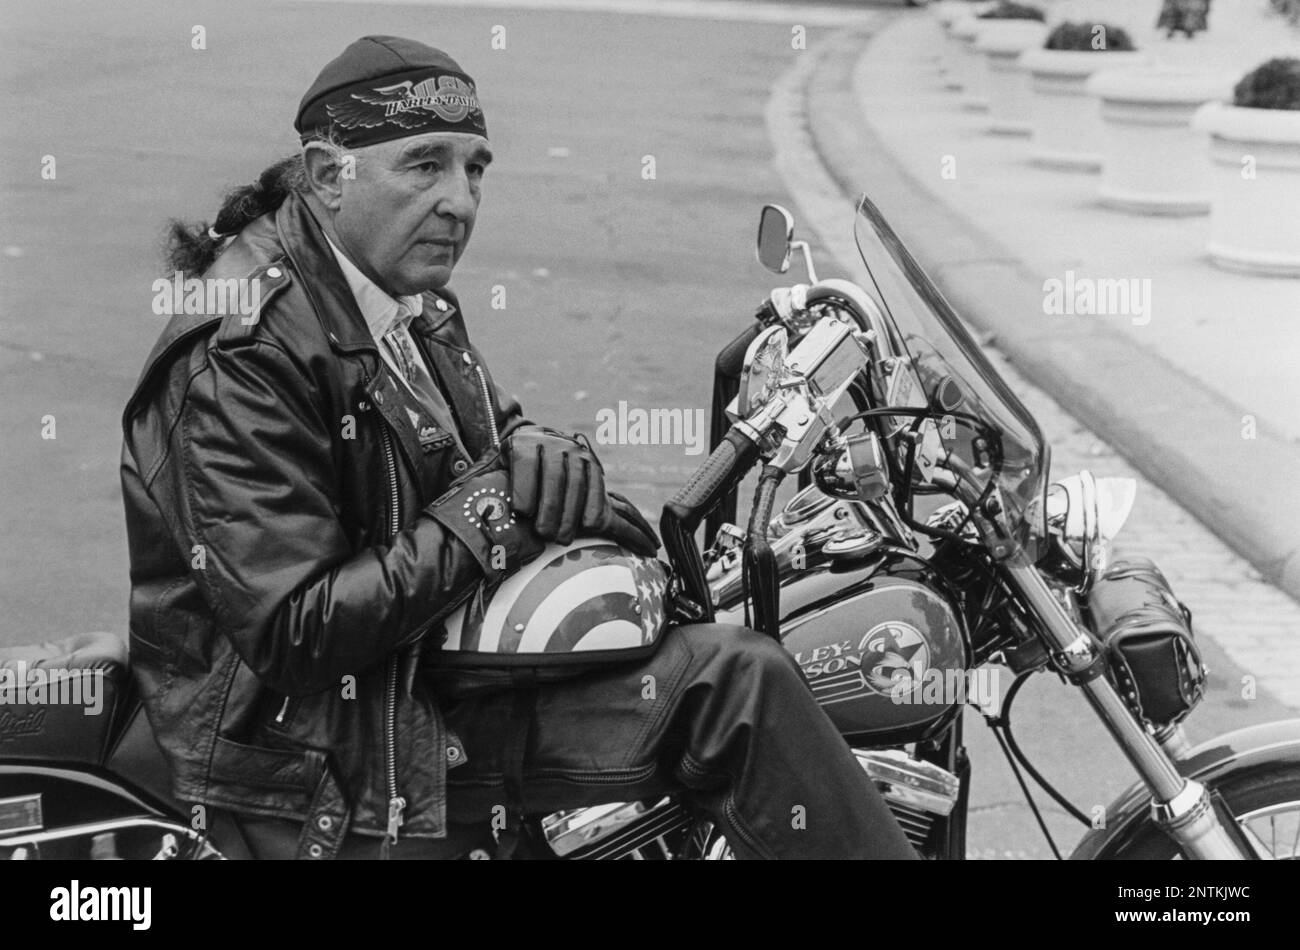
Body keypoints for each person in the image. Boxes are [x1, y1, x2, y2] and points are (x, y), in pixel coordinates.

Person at [120, 35, 916, 860]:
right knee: (736, 688)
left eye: (475, 169)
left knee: (719, 642)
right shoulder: (242, 354)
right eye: (424, 165)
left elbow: (491, 440)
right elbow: (297, 631)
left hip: (420, 672)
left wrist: (542, 451)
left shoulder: (405, 298)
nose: (459, 200)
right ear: (329, 177)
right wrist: (495, 508)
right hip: (310, 743)